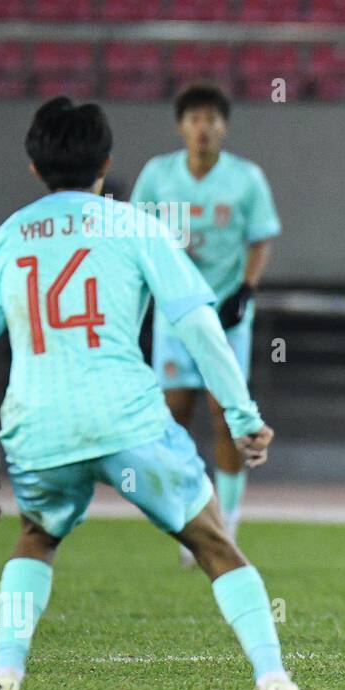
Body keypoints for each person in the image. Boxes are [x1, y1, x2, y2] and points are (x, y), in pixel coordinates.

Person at [0, 97, 309, 690]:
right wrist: (244, 416)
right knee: (212, 543)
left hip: (38, 427)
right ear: (106, 162)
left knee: (36, 535)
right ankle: (274, 683)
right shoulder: (135, 225)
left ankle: (4, 673)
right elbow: (198, 324)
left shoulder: (5, 237)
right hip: (127, 419)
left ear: (35, 168)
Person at [130, 83, 280, 566]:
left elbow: (261, 239)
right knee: (172, 416)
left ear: (224, 126)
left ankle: (228, 520)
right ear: (181, 126)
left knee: (226, 415)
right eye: (194, 119)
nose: (203, 129)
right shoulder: (158, 176)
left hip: (226, 316)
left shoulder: (245, 179)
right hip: (175, 315)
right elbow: (137, 237)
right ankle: (187, 516)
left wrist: (246, 289)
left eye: (211, 120)